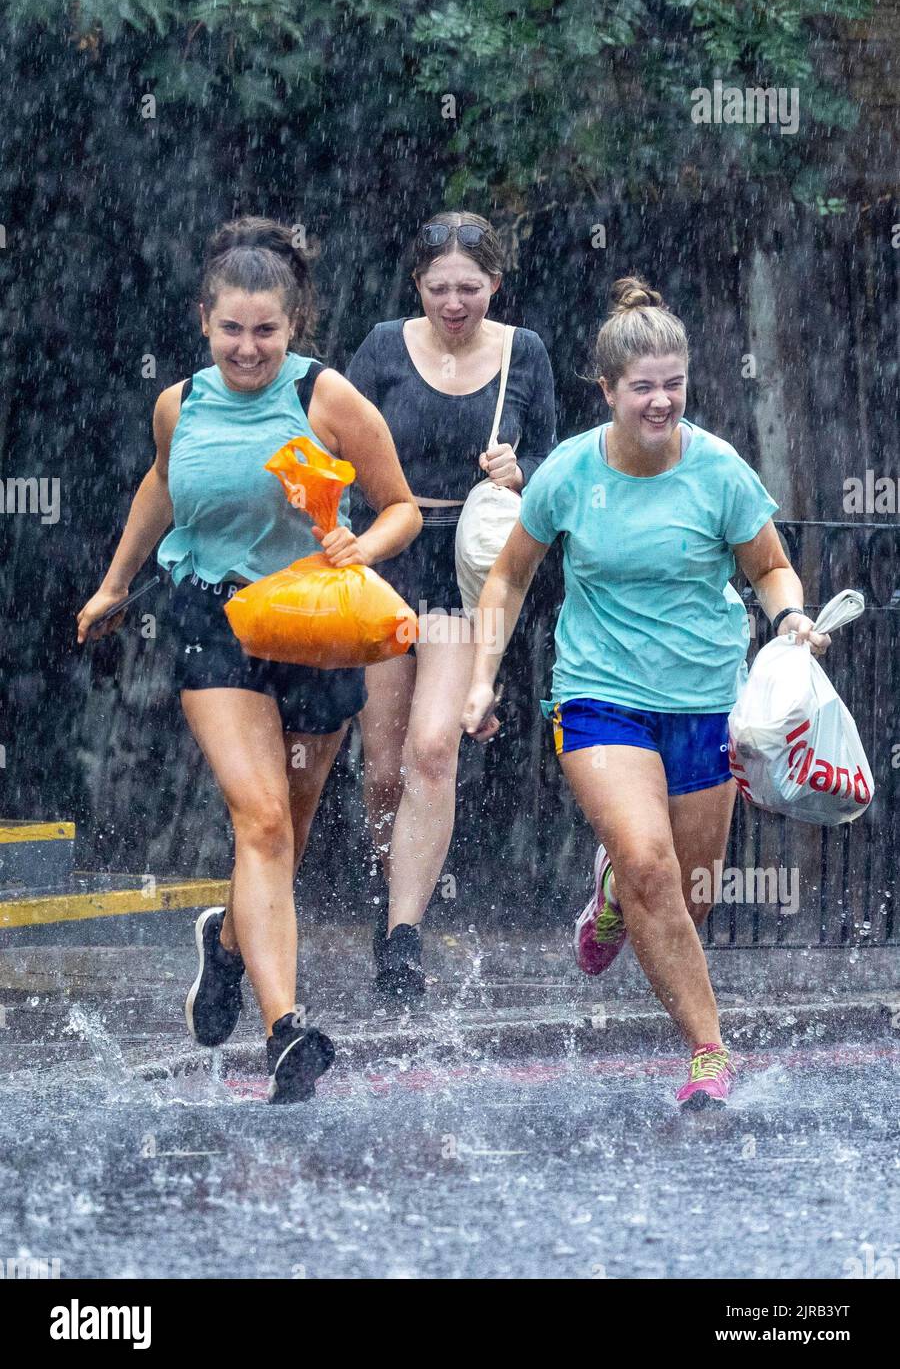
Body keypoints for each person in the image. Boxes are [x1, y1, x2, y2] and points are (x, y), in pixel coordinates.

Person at [462, 275, 830, 1109]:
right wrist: (479, 678)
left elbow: (769, 567)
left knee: (685, 897)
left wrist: (793, 618)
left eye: (675, 385)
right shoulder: (568, 473)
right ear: (608, 390)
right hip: (600, 697)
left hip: (704, 701)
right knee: (649, 862)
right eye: (643, 388)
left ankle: (612, 900)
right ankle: (708, 1053)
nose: (661, 403)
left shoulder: (719, 471)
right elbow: (509, 579)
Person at [76, 217, 421, 1104]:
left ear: (293, 324)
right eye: (232, 328)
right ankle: (284, 1030)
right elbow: (161, 482)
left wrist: (362, 548)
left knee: (290, 833)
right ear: (204, 322)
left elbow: (402, 508)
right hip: (216, 618)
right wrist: (116, 583)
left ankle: (226, 946)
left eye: (265, 329)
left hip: (318, 623)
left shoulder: (326, 397)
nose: (248, 347)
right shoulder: (179, 405)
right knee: (261, 821)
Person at [346, 211, 557, 998]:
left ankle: (405, 934)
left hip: (466, 563)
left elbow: (551, 460)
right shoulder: (378, 347)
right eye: (441, 288)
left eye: (471, 287)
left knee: (433, 747)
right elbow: (332, 447)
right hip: (383, 553)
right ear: (418, 286)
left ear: (495, 285)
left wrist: (519, 468)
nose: (455, 302)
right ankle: (388, 884)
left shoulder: (523, 352)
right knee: (380, 770)